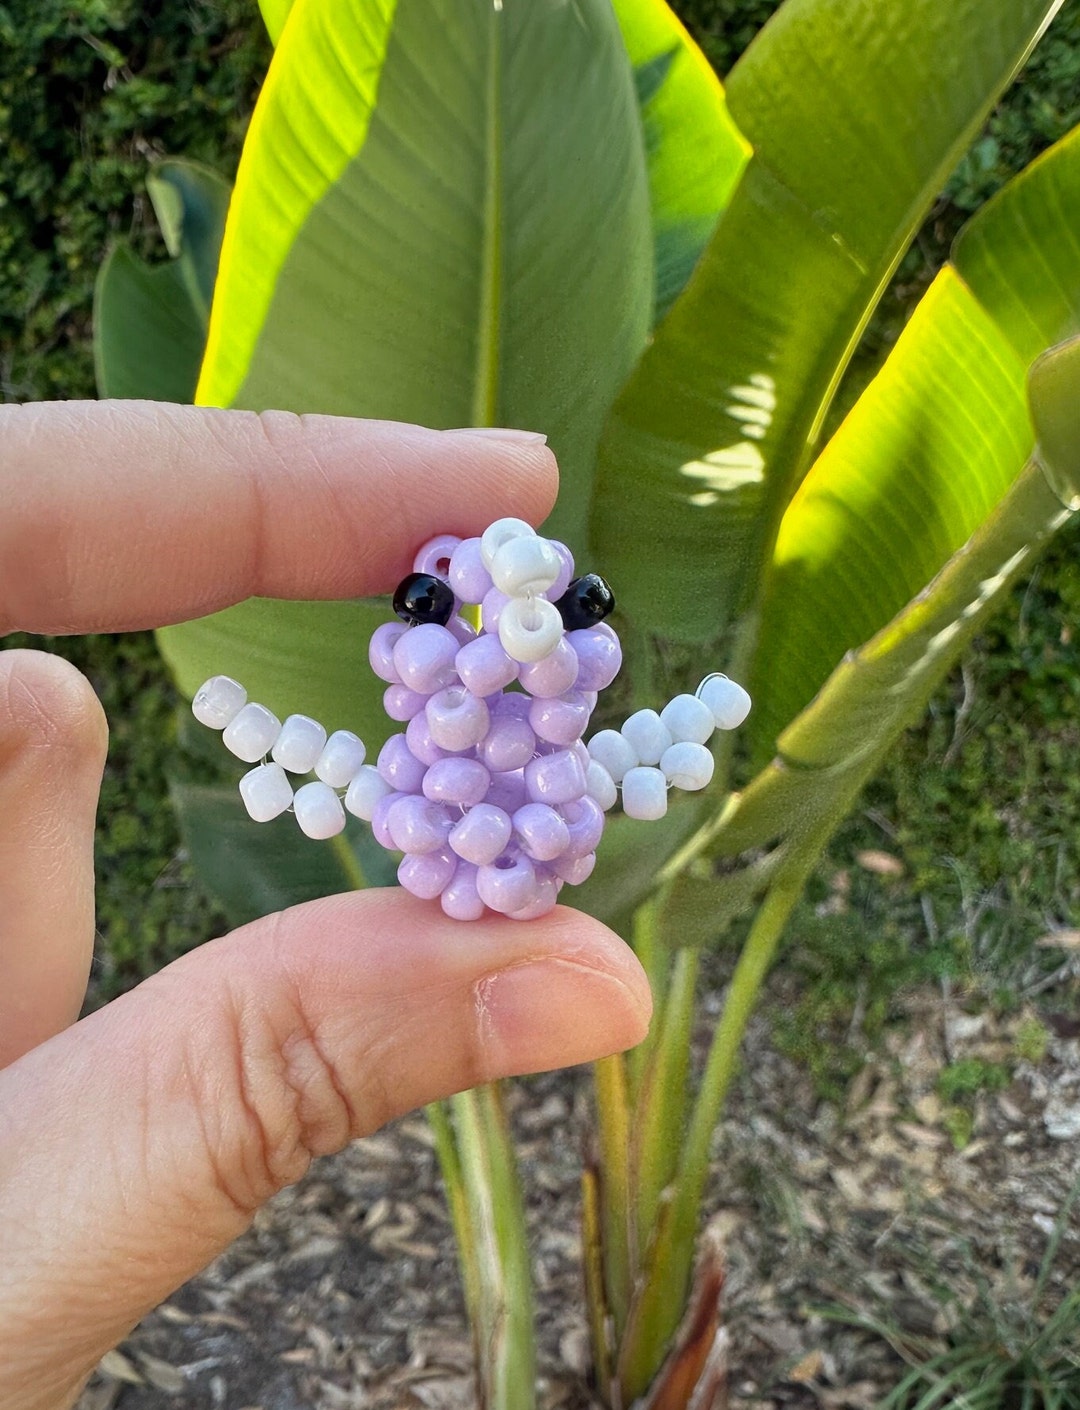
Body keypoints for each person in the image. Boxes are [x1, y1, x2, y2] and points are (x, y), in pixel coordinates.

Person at [0, 400, 651, 1410]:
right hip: (462, 849)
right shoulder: (431, 760)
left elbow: (561, 762)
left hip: (496, 848)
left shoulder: (543, 748)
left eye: (572, 618)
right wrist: (271, 737)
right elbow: (357, 774)